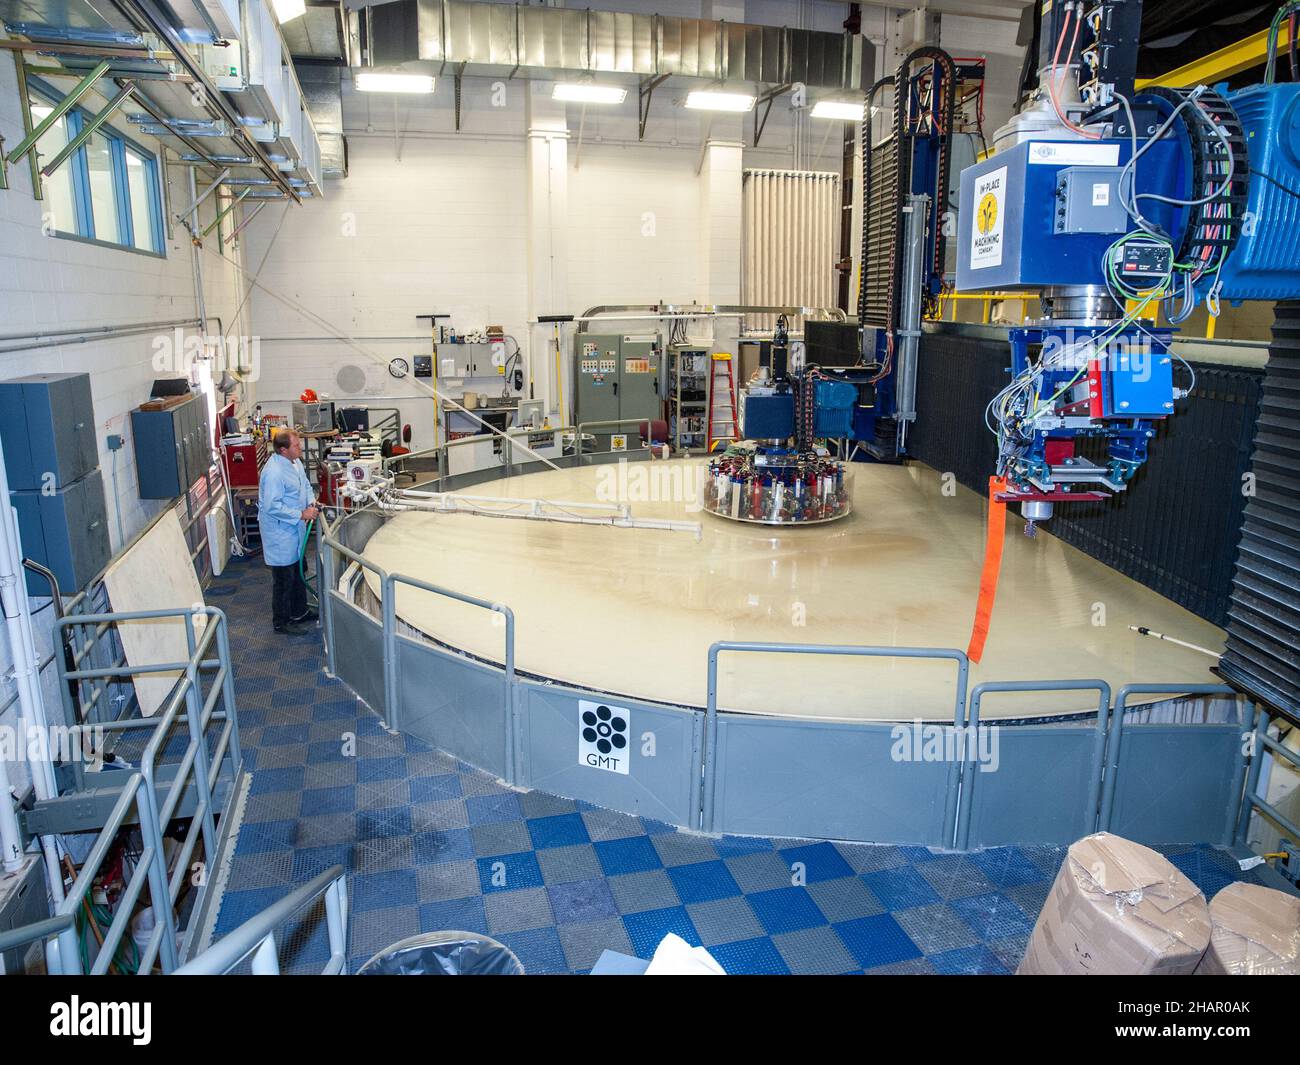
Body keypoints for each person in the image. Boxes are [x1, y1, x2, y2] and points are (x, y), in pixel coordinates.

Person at [258, 429, 320, 635]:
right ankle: (281, 622)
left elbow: (304, 485)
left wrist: (312, 501)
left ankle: (299, 611)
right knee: (284, 579)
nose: (300, 448)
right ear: (283, 450)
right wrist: (302, 514)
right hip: (280, 533)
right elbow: (272, 506)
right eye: (296, 445)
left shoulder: (296, 462)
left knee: (299, 571)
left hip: (294, 530)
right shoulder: (273, 472)